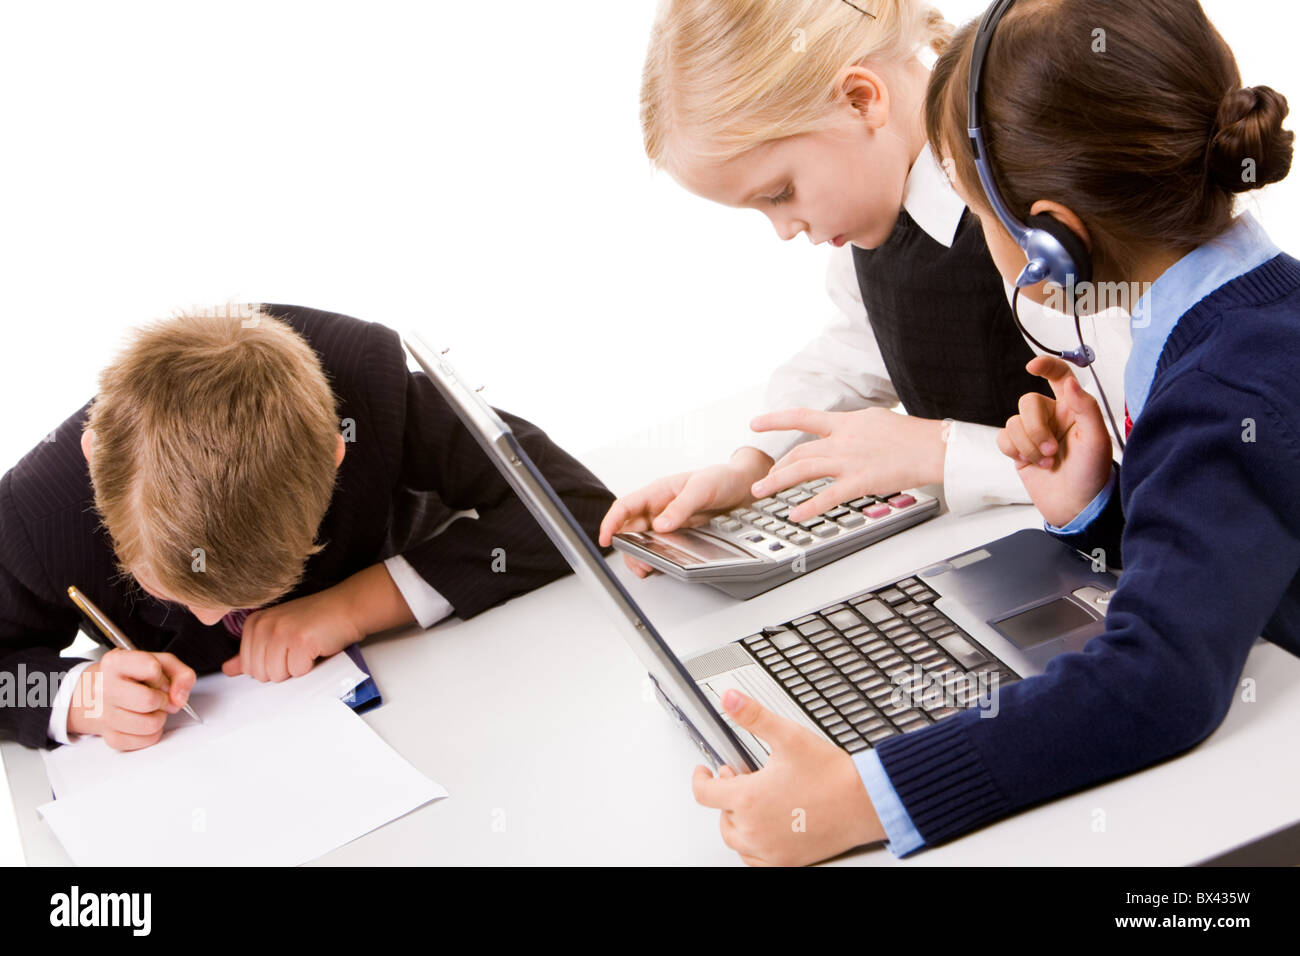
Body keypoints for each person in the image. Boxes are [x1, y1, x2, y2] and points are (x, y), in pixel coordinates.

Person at [693, 0, 1300, 865]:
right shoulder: (1249, 322)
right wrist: (1099, 508)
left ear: (1054, 241)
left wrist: (863, 796)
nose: (975, 234)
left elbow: (1158, 682)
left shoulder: (1218, 388)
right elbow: (1229, 546)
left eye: (980, 217)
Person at [600, 0, 1129, 566]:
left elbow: (1144, 463)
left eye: (780, 193)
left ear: (860, 100)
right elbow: (860, 349)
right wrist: (751, 469)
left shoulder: (1031, 225)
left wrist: (940, 452)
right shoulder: (876, 223)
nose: (783, 230)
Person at [0, 303, 615, 750]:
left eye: (251, 595)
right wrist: (79, 698)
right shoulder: (33, 518)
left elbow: (574, 503)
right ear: (91, 458)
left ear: (333, 459)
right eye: (167, 587)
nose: (215, 621)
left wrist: (357, 604)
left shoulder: (369, 397)